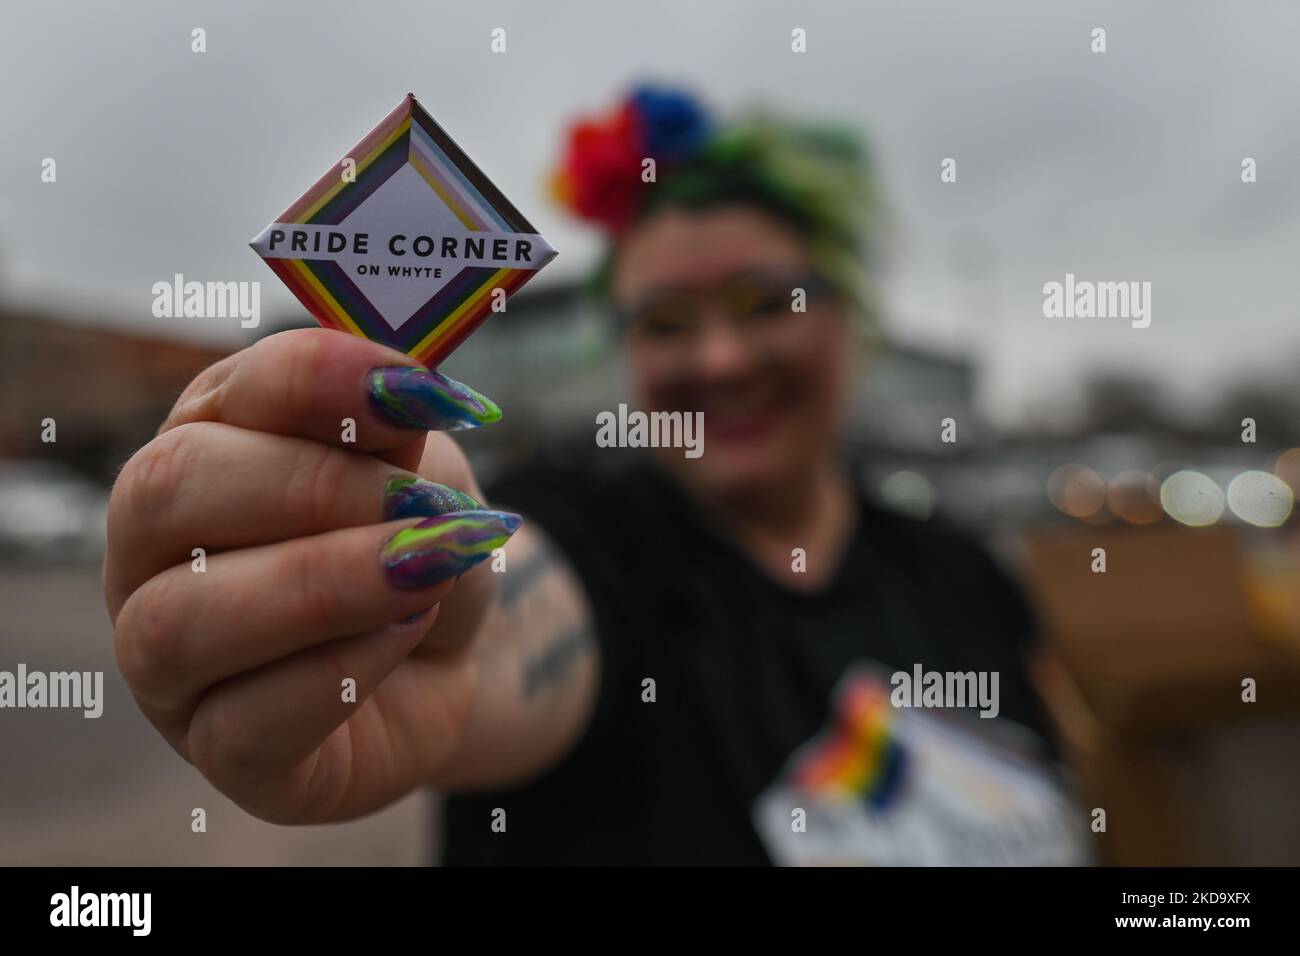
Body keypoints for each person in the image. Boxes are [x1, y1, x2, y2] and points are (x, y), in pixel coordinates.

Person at [104, 85, 1076, 866]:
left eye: (764, 301)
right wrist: (417, 626)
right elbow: (505, 625)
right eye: (665, 320)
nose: (722, 359)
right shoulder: (602, 546)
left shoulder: (965, 577)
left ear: (849, 321)